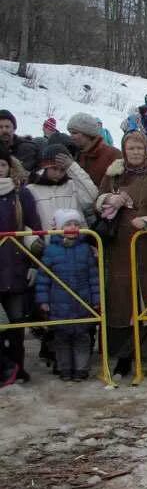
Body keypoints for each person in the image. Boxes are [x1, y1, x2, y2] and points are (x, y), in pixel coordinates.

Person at [95, 131, 147, 378]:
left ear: (146, 149)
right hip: (119, 245)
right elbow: (97, 201)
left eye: (139, 148)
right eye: (131, 148)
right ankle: (124, 356)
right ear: (124, 149)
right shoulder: (113, 174)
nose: (135, 152)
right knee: (122, 299)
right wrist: (110, 199)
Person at [36, 208, 100, 381]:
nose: (72, 227)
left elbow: (94, 277)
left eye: (76, 224)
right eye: (68, 224)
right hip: (59, 304)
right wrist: (43, 300)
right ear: (58, 228)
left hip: (83, 303)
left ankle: (81, 369)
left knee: (82, 338)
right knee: (61, 339)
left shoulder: (86, 249)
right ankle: (65, 369)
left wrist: (96, 299)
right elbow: (43, 278)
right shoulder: (50, 251)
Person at [0, 155, 38, 382]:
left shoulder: (21, 194)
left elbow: (34, 228)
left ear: (10, 166)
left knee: (17, 322)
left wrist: (34, 263)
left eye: (2, 164)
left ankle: (18, 368)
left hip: (15, 266)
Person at [27, 142, 97, 229]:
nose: (58, 173)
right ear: (45, 167)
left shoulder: (73, 185)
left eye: (62, 170)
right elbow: (23, 219)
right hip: (45, 240)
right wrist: (32, 240)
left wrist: (72, 166)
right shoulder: (31, 189)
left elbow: (91, 197)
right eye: (54, 168)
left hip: (77, 240)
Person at [63, 113, 121, 188]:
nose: (71, 137)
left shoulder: (113, 155)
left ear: (88, 133)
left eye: (74, 133)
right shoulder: (75, 153)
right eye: (70, 133)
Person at [0, 110, 40, 174]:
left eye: (7, 127)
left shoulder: (28, 149)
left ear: (14, 128)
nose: (4, 130)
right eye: (0, 127)